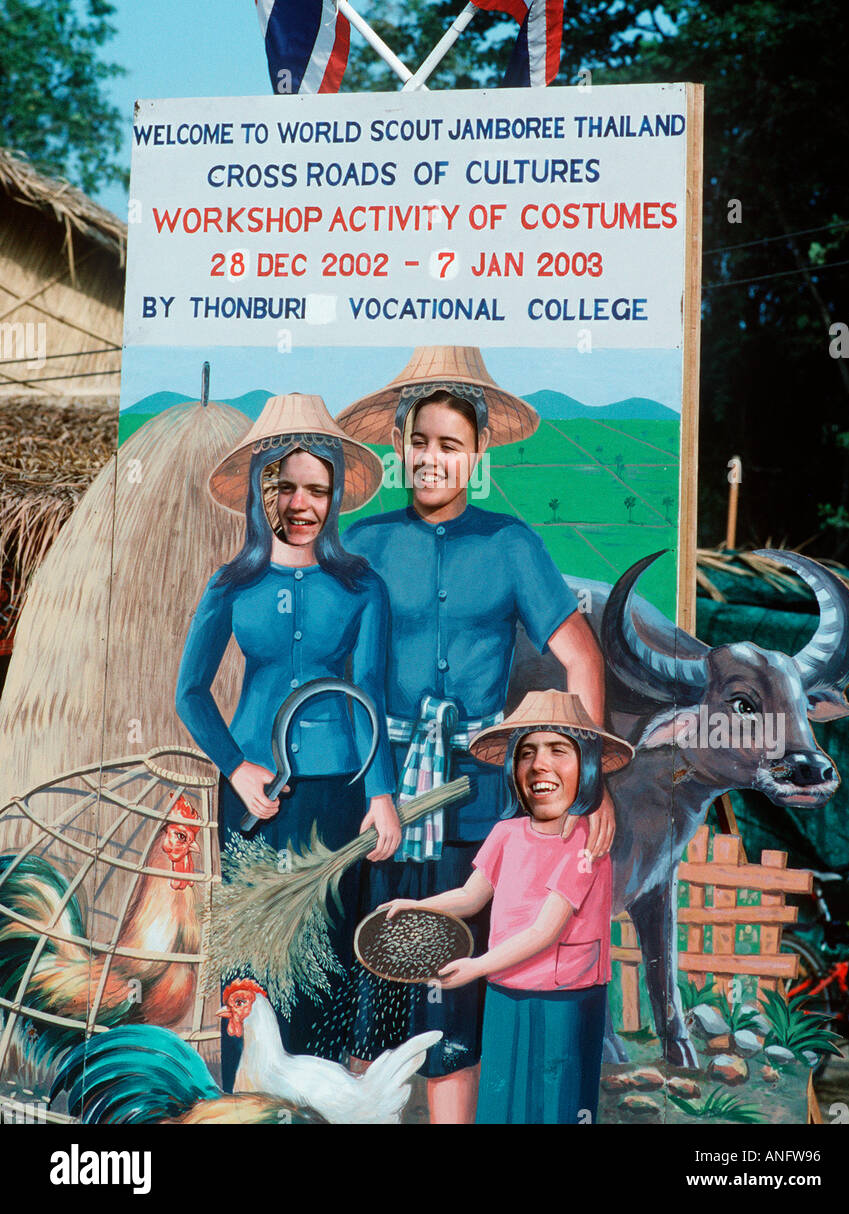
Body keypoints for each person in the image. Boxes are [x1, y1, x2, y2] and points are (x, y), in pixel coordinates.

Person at [337, 346, 618, 1124]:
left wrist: (587, 786)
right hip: (382, 798)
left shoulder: (510, 543)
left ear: (477, 454)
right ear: (400, 446)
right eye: (419, 442)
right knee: (376, 985)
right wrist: (377, 791)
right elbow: (342, 677)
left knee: (452, 1003)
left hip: (474, 802)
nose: (432, 458)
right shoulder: (361, 543)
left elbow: (580, 659)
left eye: (449, 445)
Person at [175, 394, 401, 1081]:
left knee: (325, 946)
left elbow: (371, 697)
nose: (301, 502)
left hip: (339, 792)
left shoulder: (363, 587)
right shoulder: (230, 585)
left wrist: (383, 793)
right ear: (259, 490)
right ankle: (246, 1094)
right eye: (285, 486)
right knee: (250, 946)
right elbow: (190, 693)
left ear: (334, 499)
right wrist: (236, 767)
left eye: (317, 489)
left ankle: (318, 1097)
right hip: (252, 797)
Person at [385, 691, 632, 1125]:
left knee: (556, 1104)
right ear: (514, 769)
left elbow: (545, 931)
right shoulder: (505, 833)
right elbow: (471, 896)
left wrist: (476, 966)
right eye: (527, 753)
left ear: (587, 766)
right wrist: (418, 907)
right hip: (505, 991)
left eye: (559, 751)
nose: (540, 765)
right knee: (503, 1104)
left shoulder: (585, 845)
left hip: (566, 999)